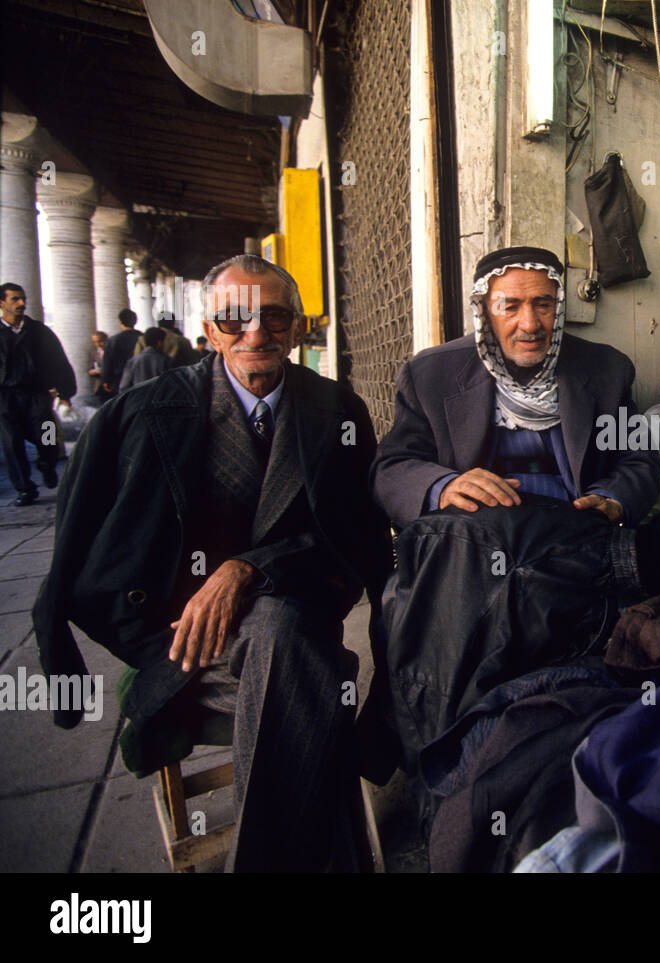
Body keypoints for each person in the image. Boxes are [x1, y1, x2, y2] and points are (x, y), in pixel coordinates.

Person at [32, 255, 392, 871]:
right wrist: (66, 647)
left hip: (290, 620)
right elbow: (79, 542)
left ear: (299, 326)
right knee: (306, 666)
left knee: (282, 633)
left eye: (273, 317)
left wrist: (248, 569)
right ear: (208, 327)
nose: (255, 334)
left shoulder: (337, 412)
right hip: (178, 640)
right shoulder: (140, 413)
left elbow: (359, 543)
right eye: (234, 319)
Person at [372, 246, 660, 525]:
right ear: (484, 313)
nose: (530, 324)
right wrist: (443, 488)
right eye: (510, 307)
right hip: (473, 542)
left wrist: (611, 500)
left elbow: (638, 459)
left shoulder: (605, 369)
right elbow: (391, 468)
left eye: (543, 305)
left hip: (573, 535)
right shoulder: (431, 375)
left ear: (558, 308)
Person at [0, 282, 75, 506]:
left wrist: (65, 393)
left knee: (48, 435)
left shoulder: (39, 331)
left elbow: (60, 361)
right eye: (15, 299)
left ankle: (48, 463)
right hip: (5, 398)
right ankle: (25, 489)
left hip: (37, 395)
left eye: (23, 298)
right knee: (12, 443)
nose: (22, 303)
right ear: (1, 303)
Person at [100, 308, 141, 396]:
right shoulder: (142, 337)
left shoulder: (114, 340)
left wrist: (106, 380)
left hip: (120, 378)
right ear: (135, 321)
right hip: (142, 376)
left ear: (120, 322)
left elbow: (107, 361)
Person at [87, 330, 109, 403]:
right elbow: (90, 369)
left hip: (111, 385)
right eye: (95, 342)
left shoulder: (112, 351)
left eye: (100, 341)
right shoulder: (94, 353)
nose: (98, 344)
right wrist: (93, 371)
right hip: (99, 386)